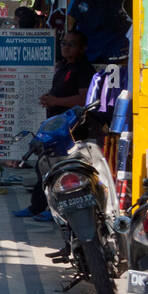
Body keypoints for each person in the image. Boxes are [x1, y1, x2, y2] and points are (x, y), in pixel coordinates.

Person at [13, 29, 96, 221]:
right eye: (63, 43)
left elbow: (83, 99)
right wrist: (49, 99)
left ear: (82, 48)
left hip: (71, 129)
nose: (65, 47)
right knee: (44, 166)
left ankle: (54, 210)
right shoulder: (64, 66)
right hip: (56, 126)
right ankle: (38, 206)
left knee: (61, 170)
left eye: (71, 44)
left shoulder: (83, 69)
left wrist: (55, 100)